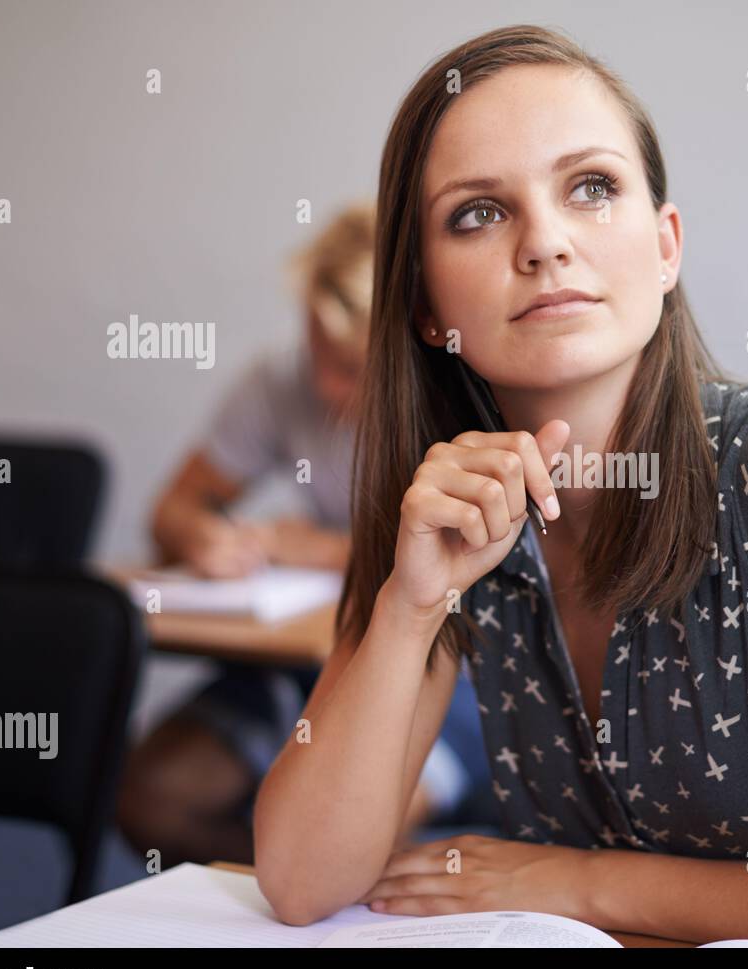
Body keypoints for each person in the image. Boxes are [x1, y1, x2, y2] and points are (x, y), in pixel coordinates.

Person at [253, 25, 748, 946]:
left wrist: (582, 882)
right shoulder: (446, 504)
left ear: (666, 246)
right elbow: (297, 879)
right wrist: (411, 606)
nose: (546, 243)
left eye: (592, 187)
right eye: (478, 213)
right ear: (421, 302)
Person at [116, 203, 496, 870]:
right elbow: (172, 510)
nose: (325, 384)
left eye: (351, 367)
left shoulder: (465, 395)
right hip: (299, 662)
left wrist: (321, 549)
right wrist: (203, 535)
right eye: (318, 352)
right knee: (148, 799)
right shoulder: (280, 379)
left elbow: (489, 559)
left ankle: (316, 878)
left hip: (454, 671)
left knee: (357, 826)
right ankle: (295, 886)